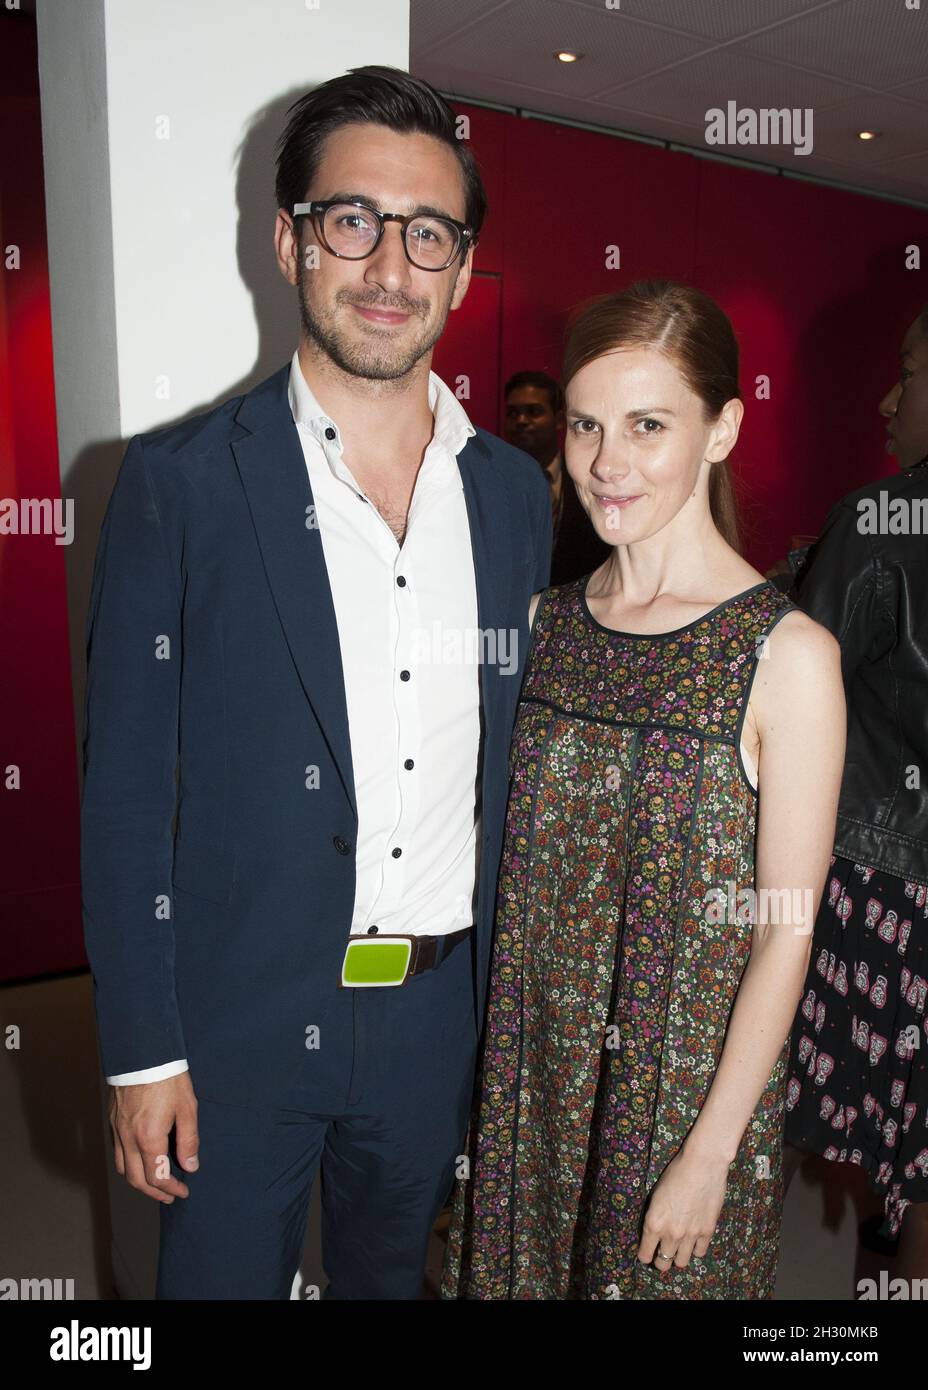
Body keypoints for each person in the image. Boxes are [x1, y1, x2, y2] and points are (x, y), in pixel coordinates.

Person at [80, 65, 551, 1301]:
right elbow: (125, 792)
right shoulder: (179, 483)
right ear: (288, 241)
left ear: (460, 263)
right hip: (240, 1016)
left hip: (435, 1021)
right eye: (353, 220)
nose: (390, 266)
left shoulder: (511, 496)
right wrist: (142, 1055)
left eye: (427, 234)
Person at [441, 280, 845, 1299]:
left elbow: (784, 929)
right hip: (531, 1080)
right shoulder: (545, 626)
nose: (605, 462)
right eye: (585, 425)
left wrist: (710, 1153)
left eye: (647, 425)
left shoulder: (785, 654)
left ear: (722, 429)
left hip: (679, 1099)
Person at [783, 303, 928, 1279]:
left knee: (828, 1190)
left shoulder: (878, 525)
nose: (887, 396)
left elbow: (782, 715)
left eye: (908, 369)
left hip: (882, 907)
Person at [504, 370, 611, 585]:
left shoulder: (590, 480)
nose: (522, 421)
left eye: (534, 411)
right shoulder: (492, 485)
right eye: (513, 413)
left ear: (560, 419)